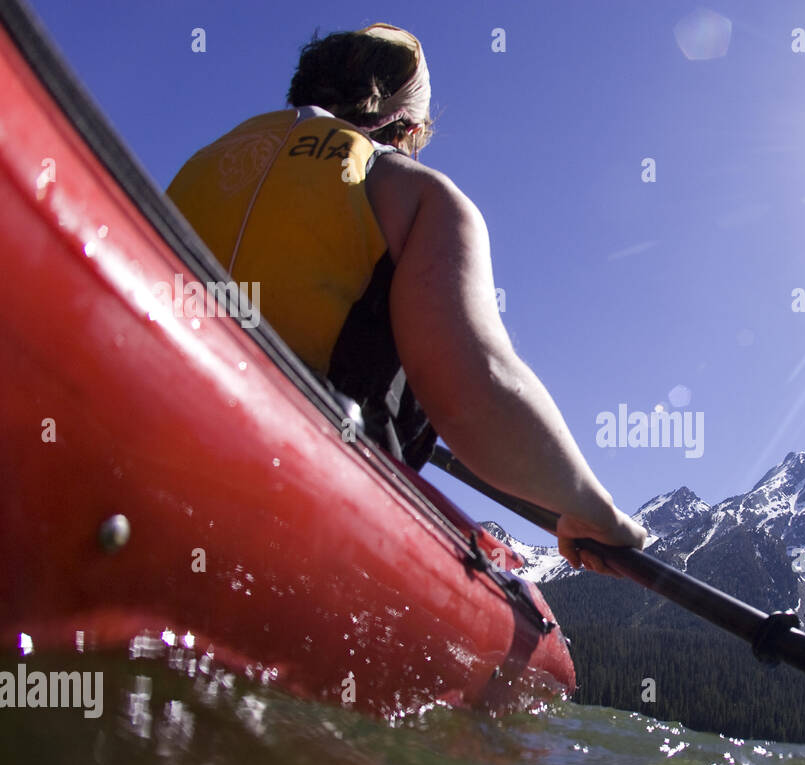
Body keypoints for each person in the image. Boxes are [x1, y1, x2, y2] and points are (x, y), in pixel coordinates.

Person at [167, 23, 644, 575]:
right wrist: (588, 505)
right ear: (410, 127)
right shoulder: (415, 193)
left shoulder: (202, 164)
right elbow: (474, 387)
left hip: (130, 460)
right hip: (284, 516)